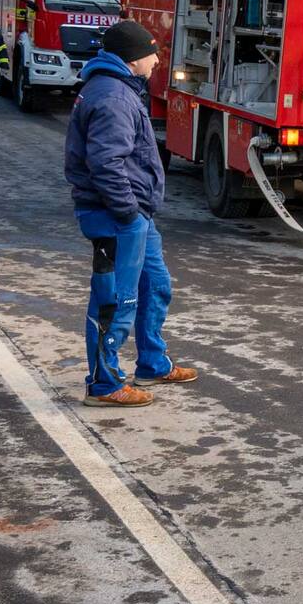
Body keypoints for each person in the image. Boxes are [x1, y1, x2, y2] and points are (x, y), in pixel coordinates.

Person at [64, 20, 195, 408]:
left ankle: (152, 362)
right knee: (115, 302)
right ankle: (105, 385)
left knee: (155, 284)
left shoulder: (115, 88)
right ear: (134, 57)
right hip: (118, 215)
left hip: (133, 214)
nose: (157, 60)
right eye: (152, 52)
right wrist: (127, 212)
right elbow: (106, 162)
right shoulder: (114, 97)